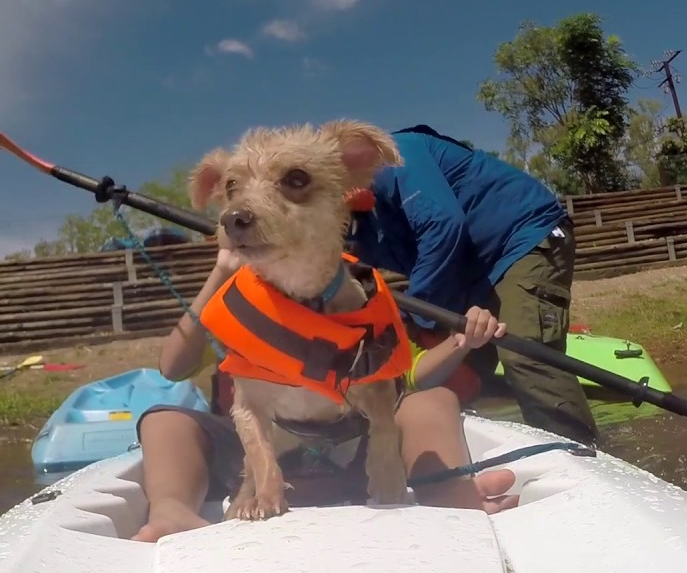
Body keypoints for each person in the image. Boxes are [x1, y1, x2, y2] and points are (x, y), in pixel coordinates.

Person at [131, 245, 520, 543]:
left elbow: (412, 374)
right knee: (164, 420)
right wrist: (222, 272)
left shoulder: (355, 297)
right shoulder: (234, 303)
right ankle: (172, 510)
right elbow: (173, 368)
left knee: (433, 400)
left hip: (354, 441)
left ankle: (447, 489)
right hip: (255, 452)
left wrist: (462, 342)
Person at [344, 124, 598, 447]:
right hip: (470, 272)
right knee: (451, 376)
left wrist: (423, 322)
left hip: (523, 238)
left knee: (522, 352)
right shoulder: (350, 229)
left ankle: (581, 452)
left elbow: (444, 225)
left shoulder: (392, 154)